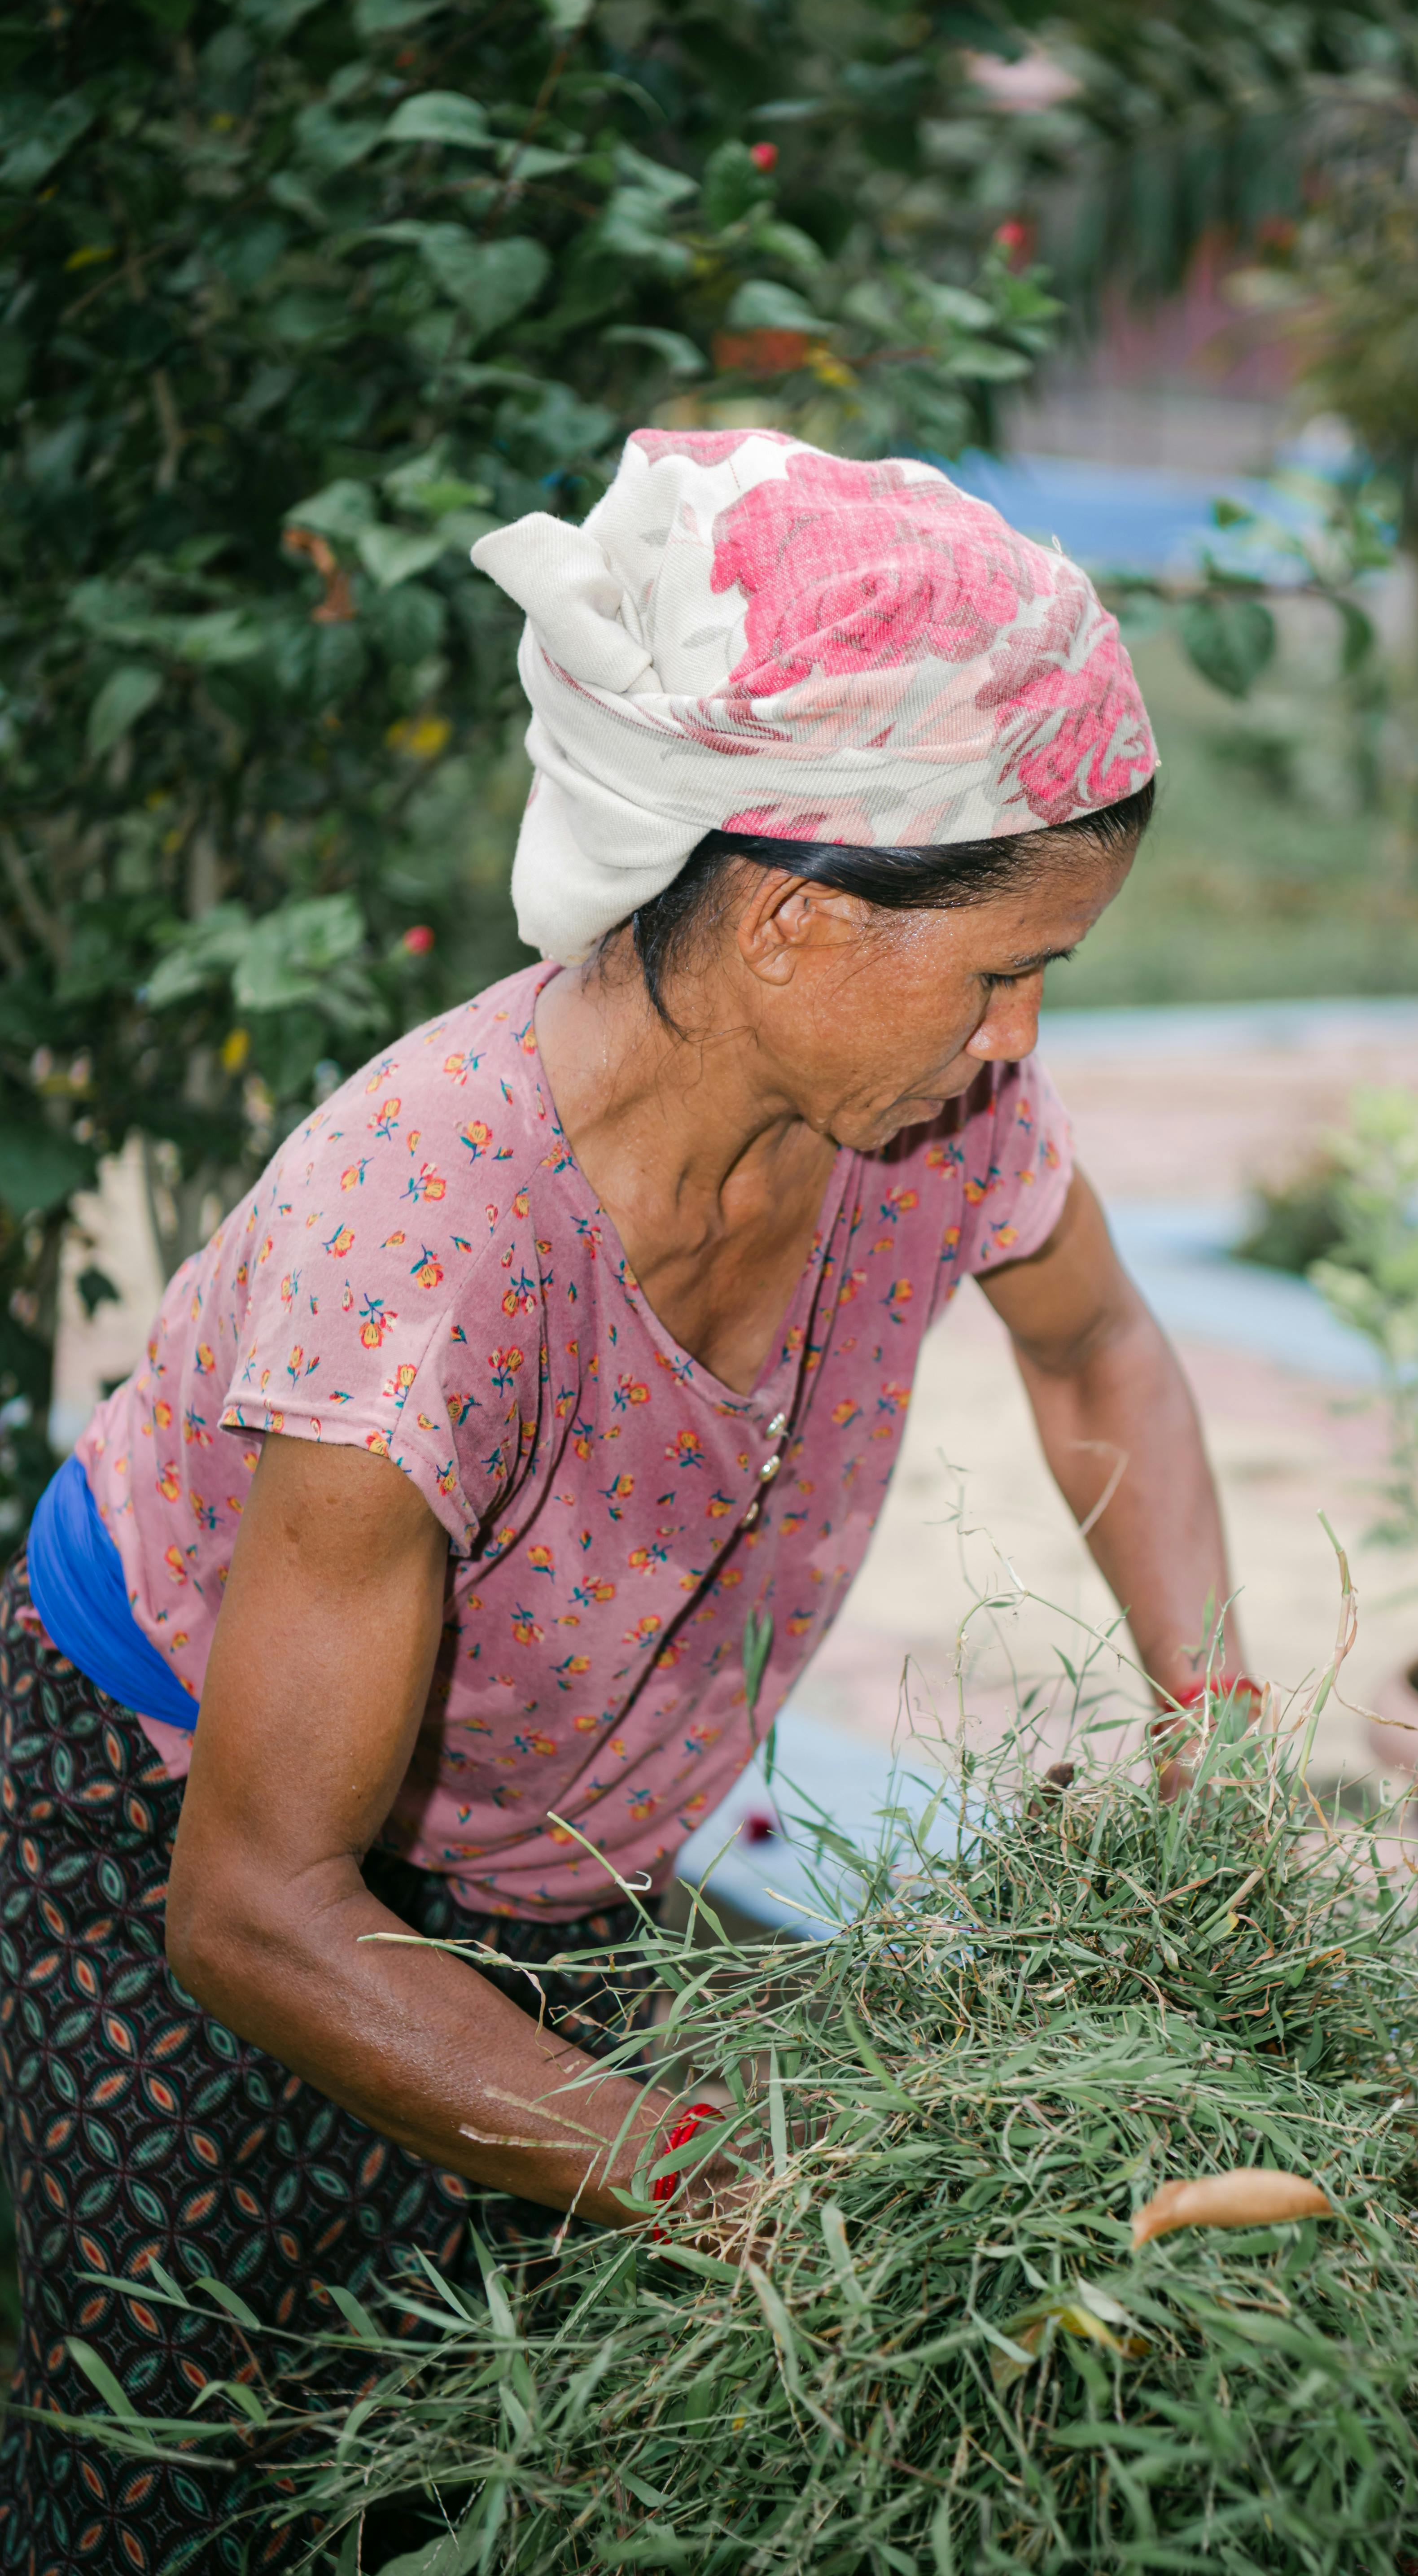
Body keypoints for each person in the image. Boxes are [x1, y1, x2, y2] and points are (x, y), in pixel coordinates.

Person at [0, 428, 1249, 2571]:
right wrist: (727, 2180)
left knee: (503, 2457)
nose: (1019, 1035)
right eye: (997, 969)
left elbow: (1100, 1345)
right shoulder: (431, 1242)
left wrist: (1207, 1723)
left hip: (552, 1836)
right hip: (175, 1825)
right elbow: (262, 1914)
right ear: (785, 921)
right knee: (198, 2461)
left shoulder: (933, 1114)